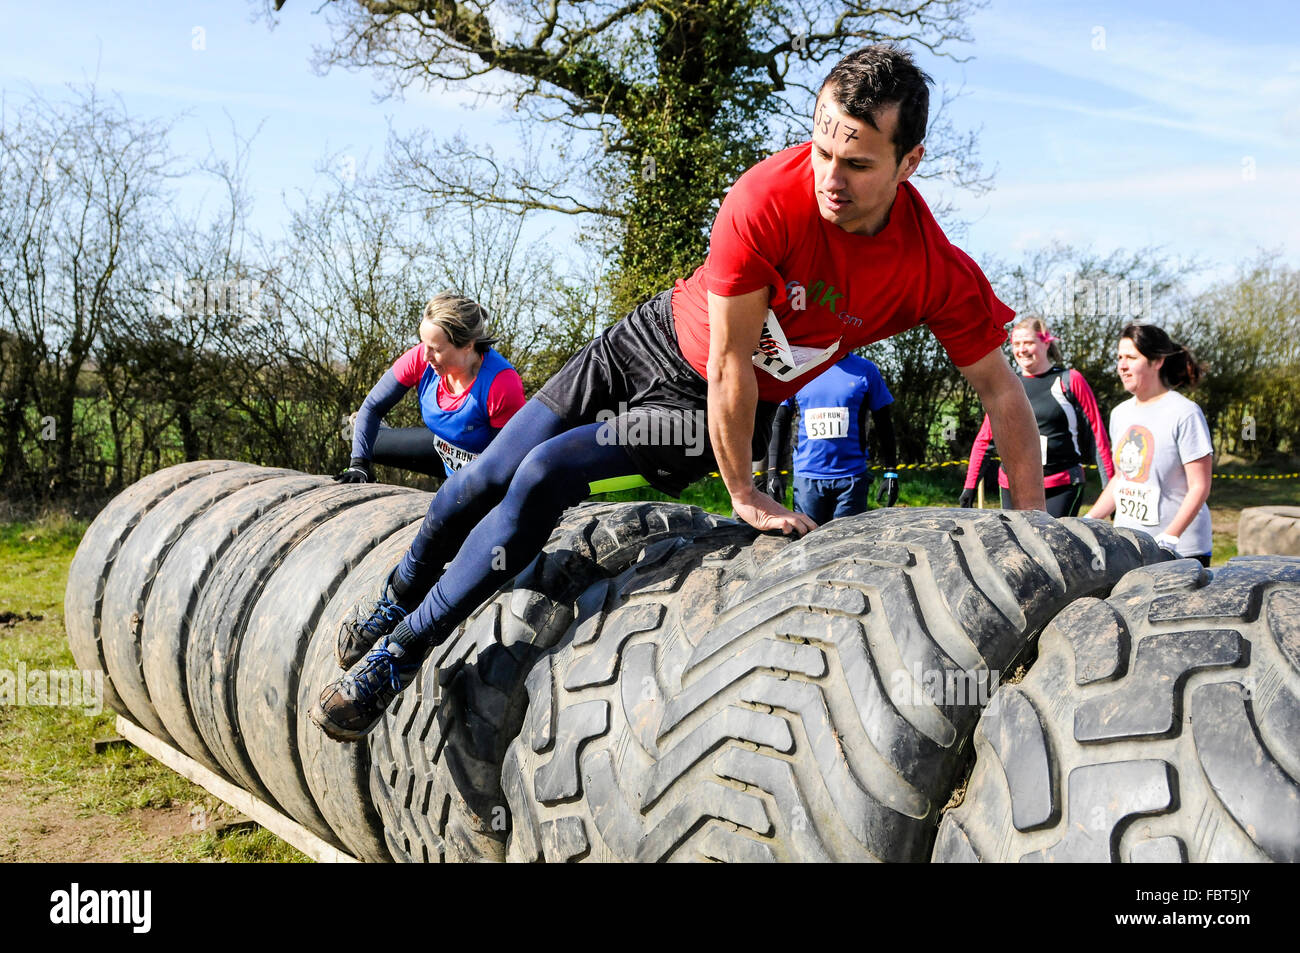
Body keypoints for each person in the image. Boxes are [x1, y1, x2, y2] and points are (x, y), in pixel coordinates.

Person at [309, 43, 1047, 742]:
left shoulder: (932, 269)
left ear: (909, 161)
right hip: (645, 340)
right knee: (485, 475)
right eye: (822, 149)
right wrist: (749, 493)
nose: (828, 177)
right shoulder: (764, 197)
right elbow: (731, 351)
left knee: (541, 475)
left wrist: (1035, 535)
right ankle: (395, 596)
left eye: (856, 163)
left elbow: (1003, 396)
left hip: (697, 416)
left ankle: (395, 660)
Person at [333, 293, 525, 483]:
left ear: (468, 345)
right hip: (442, 447)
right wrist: (358, 464)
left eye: (436, 349)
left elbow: (506, 464)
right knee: (369, 440)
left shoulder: (501, 384)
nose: (425, 356)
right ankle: (378, 434)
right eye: (424, 344)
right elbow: (373, 407)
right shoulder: (421, 358)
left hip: (484, 466)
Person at [958, 316, 1114, 517]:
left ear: (1046, 343)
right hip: (1012, 483)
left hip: (1061, 482)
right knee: (1017, 545)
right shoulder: (1007, 385)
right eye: (1016, 344)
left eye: (1029, 343)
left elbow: (1097, 435)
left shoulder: (1069, 380)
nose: (1022, 349)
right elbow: (986, 438)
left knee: (1052, 545)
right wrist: (970, 485)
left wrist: (1109, 487)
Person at [1084, 323, 1212, 564]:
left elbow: (1200, 486)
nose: (1122, 365)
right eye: (1119, 357)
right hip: (1129, 546)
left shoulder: (1185, 413)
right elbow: (1122, 479)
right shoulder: (1120, 413)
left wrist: (1171, 536)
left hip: (1180, 550)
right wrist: (1090, 519)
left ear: (1157, 361)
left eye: (1131, 357)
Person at [764, 353, 899, 522]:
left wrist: (891, 472)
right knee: (807, 545)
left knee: (849, 545)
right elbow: (779, 423)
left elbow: (884, 423)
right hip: (808, 480)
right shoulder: (797, 369)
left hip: (851, 480)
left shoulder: (866, 370)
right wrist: (772, 473)